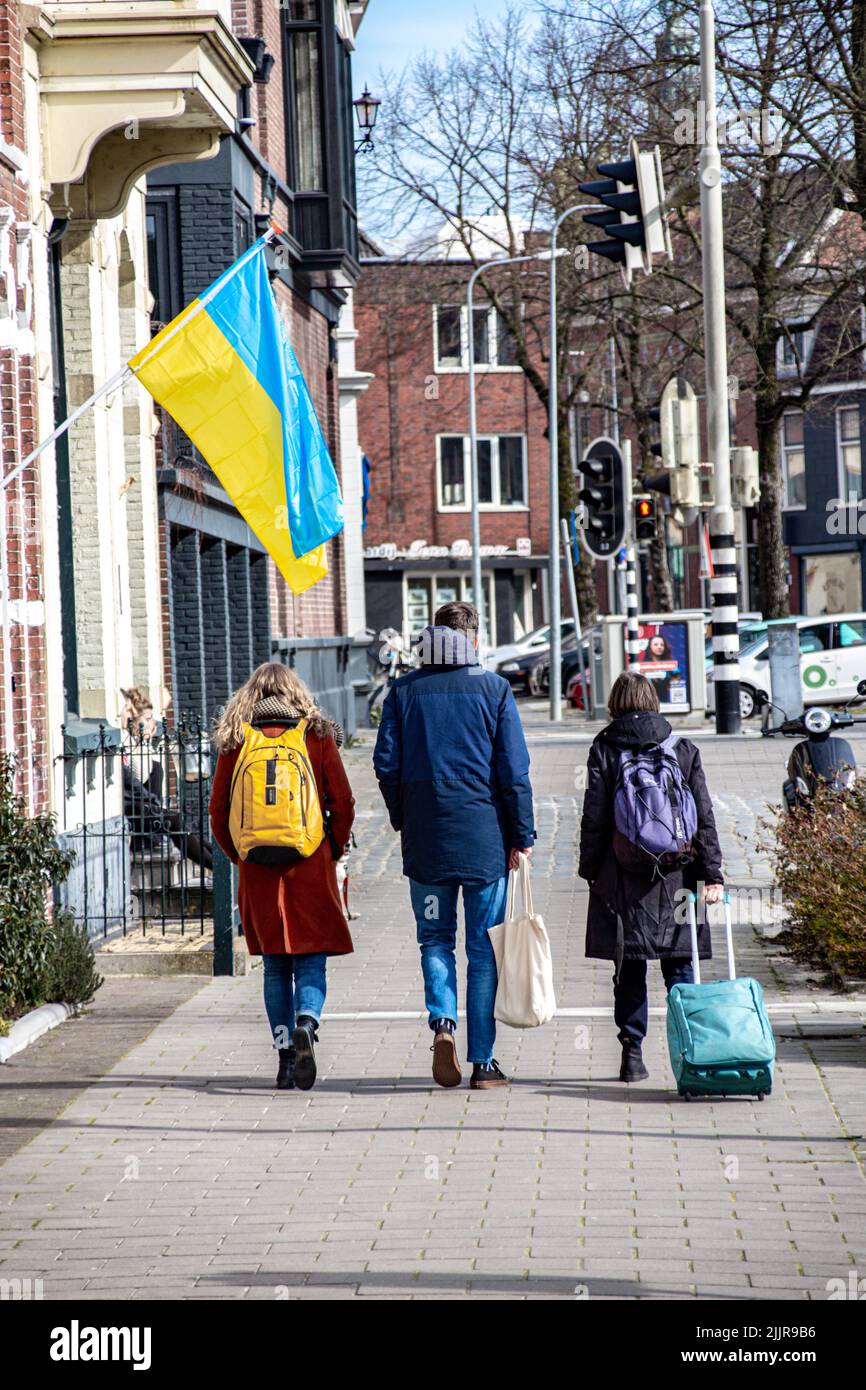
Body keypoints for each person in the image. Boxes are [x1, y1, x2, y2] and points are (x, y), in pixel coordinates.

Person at [373, 601, 535, 1090]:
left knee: (435, 938)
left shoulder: (402, 692)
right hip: (484, 839)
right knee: (483, 949)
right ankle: (483, 1062)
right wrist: (521, 836)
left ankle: (442, 1023)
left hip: (427, 841)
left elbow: (385, 765)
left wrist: (406, 819)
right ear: (475, 641)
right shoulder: (494, 689)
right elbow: (514, 773)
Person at [209, 663, 355, 1092]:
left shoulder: (236, 739)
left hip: (258, 868)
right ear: (296, 692)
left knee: (274, 967)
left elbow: (218, 811)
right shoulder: (316, 733)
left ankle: (285, 1060)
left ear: (249, 695)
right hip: (310, 862)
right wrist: (335, 846)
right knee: (311, 958)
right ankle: (307, 1023)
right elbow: (342, 800)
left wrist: (240, 855)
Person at [578, 670, 724, 1083]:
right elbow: (704, 817)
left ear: (615, 705)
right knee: (681, 965)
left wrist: (591, 870)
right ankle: (693, 1052)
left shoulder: (604, 748)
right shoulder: (682, 747)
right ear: (655, 703)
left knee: (630, 966)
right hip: (679, 875)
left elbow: (595, 817)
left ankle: (632, 1054)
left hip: (624, 877)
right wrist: (711, 873)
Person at [120, 688, 213, 873]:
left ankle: (220, 863)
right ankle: (217, 867)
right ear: (133, 722)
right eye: (147, 720)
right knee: (175, 820)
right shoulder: (125, 744)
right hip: (133, 810)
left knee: (180, 824)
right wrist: (140, 741)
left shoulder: (138, 744)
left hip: (145, 809)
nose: (152, 724)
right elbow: (137, 776)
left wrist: (144, 742)